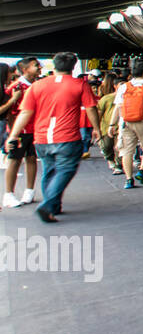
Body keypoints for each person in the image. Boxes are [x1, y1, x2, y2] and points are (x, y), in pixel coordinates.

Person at [5, 52, 99, 223]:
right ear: (72, 67)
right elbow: (91, 108)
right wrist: (97, 129)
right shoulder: (80, 85)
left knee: (49, 171)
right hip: (67, 137)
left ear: (54, 66)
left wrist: (12, 135)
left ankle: (53, 206)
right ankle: (48, 205)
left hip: (41, 138)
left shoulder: (37, 86)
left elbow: (25, 112)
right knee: (65, 169)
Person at [115, 60, 143, 189]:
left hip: (126, 121)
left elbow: (118, 107)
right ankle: (142, 170)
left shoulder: (124, 86)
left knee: (127, 151)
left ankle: (129, 180)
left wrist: (114, 125)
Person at [2, 58, 40, 208]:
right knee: (14, 160)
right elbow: (11, 113)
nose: (40, 68)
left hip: (34, 129)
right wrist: (13, 133)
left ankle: (29, 191)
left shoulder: (37, 85)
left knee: (31, 158)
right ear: (25, 69)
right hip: (20, 131)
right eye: (36, 66)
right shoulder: (16, 87)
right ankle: (8, 194)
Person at [96, 74, 124, 177]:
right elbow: (99, 112)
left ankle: (118, 165)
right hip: (106, 126)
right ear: (115, 86)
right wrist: (96, 127)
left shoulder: (127, 97)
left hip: (120, 126)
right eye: (120, 85)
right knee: (107, 146)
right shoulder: (106, 99)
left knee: (119, 146)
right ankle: (109, 159)